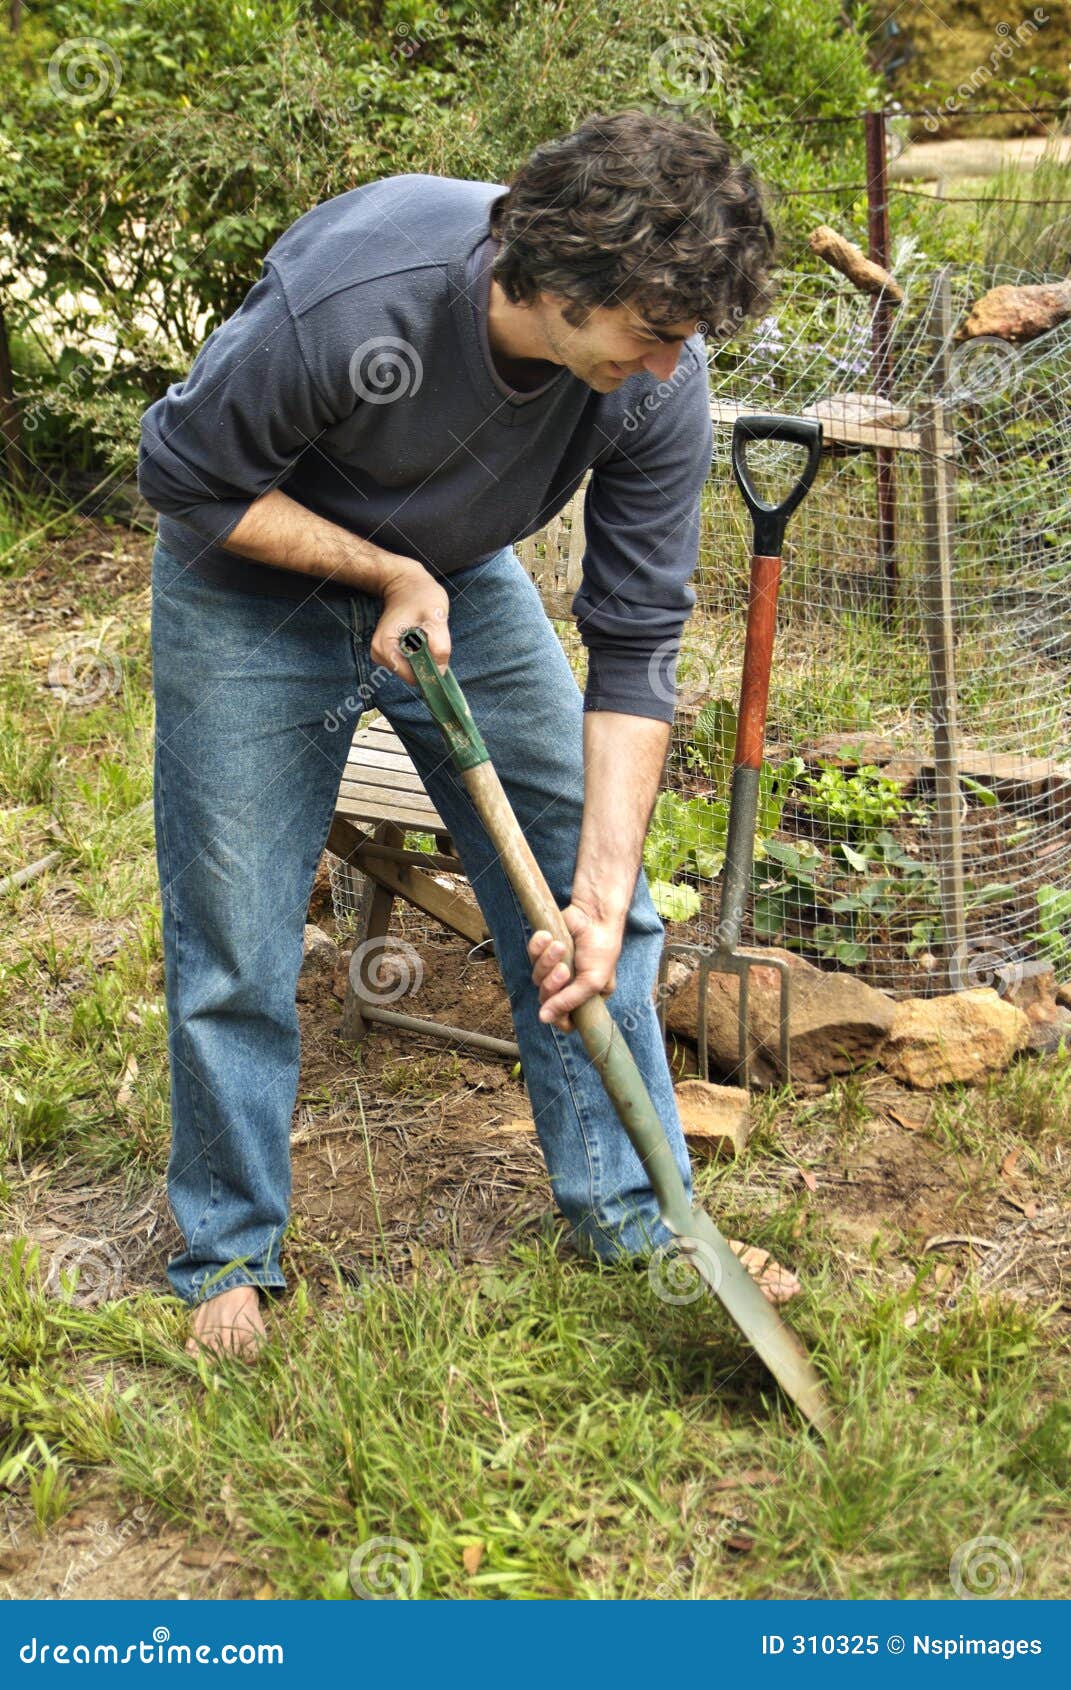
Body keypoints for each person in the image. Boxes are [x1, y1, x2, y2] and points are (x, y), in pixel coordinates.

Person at [138, 107, 789, 1362]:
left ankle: (637, 1216)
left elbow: (638, 637)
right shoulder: (359, 295)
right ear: (559, 281)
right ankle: (227, 1246)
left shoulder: (657, 382)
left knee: (605, 904)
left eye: (686, 341)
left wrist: (597, 889)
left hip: (453, 572)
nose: (670, 369)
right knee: (238, 928)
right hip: (247, 569)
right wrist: (380, 569)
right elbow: (185, 473)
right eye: (654, 335)